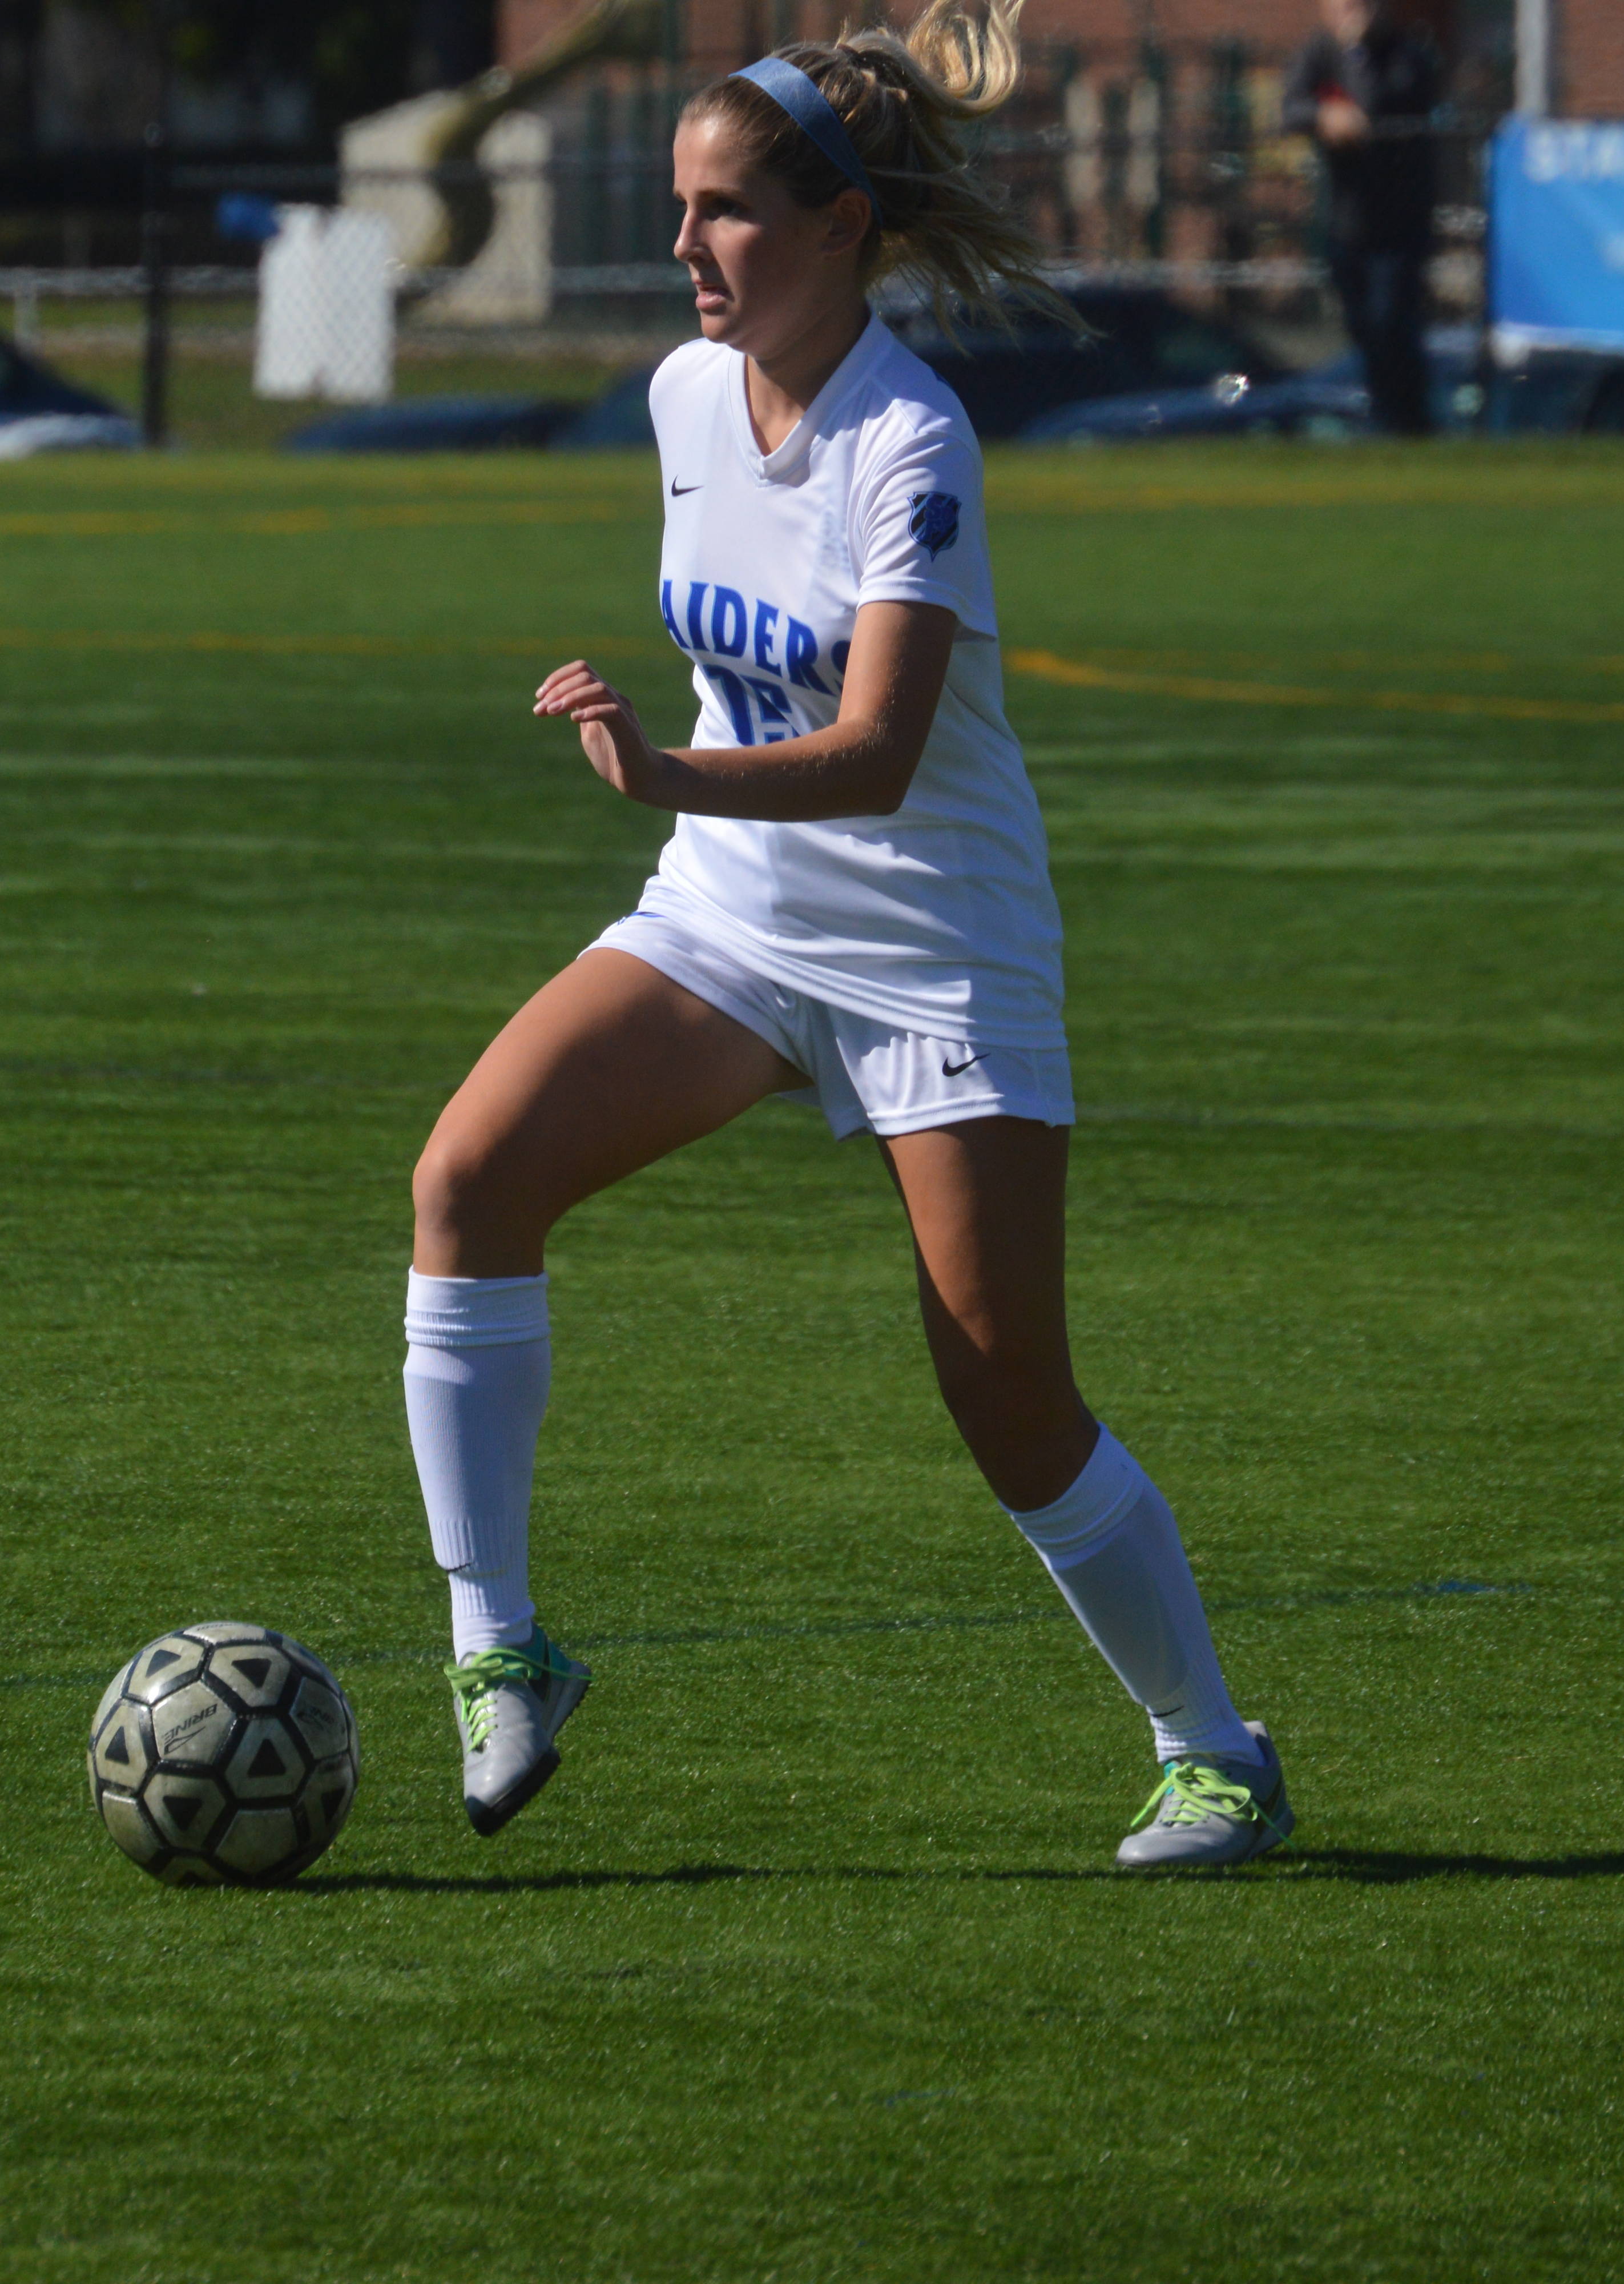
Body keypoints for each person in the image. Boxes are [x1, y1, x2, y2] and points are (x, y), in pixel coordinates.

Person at [403, 0, 1296, 1870]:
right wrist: (687, 801)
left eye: (722, 212)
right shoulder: (672, 395)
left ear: (835, 228)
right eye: (677, 209)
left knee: (1003, 1393)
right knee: (467, 1178)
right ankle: (503, 1655)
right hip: (731, 919)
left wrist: (659, 776)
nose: (683, 250)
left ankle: (1211, 1748)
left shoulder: (914, 442)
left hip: (930, 947)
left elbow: (880, 755)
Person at [1279, 0, 1444, 439]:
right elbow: (1289, 108)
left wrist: (1356, 57)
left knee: (1391, 320)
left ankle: (1408, 422)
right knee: (1361, 327)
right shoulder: (1318, 52)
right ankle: (1387, 418)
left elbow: (1373, 108)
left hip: (1399, 224)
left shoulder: (1405, 55)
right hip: (1346, 223)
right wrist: (1321, 115)